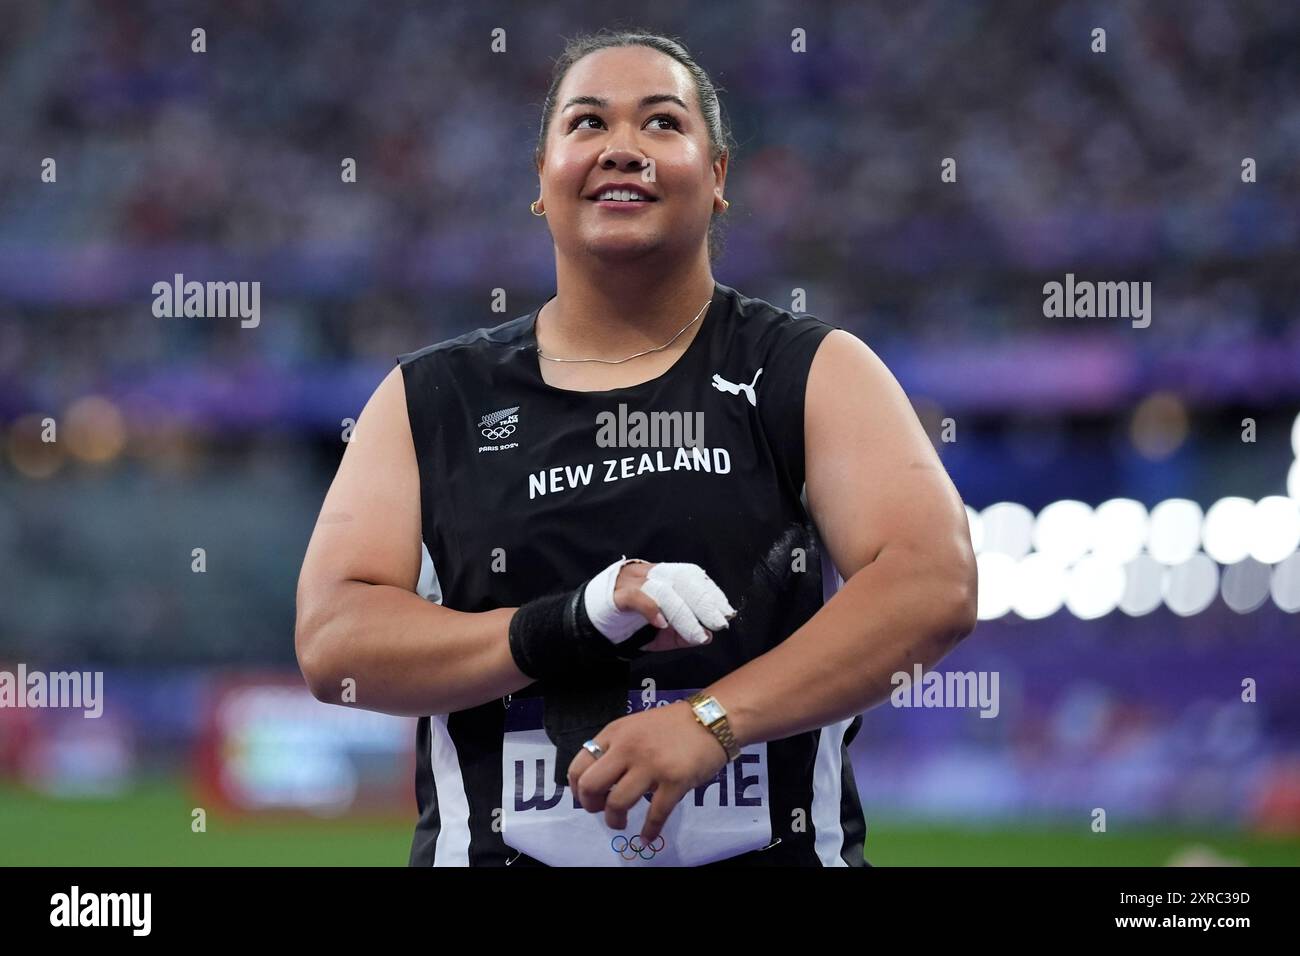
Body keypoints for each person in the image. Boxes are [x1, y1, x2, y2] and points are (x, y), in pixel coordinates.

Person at [295, 28, 977, 867]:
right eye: (586, 124)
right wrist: (572, 621)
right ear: (541, 182)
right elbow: (334, 642)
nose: (623, 149)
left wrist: (711, 725)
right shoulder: (431, 397)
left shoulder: (810, 371)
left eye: (661, 123)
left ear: (717, 177)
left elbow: (934, 583)